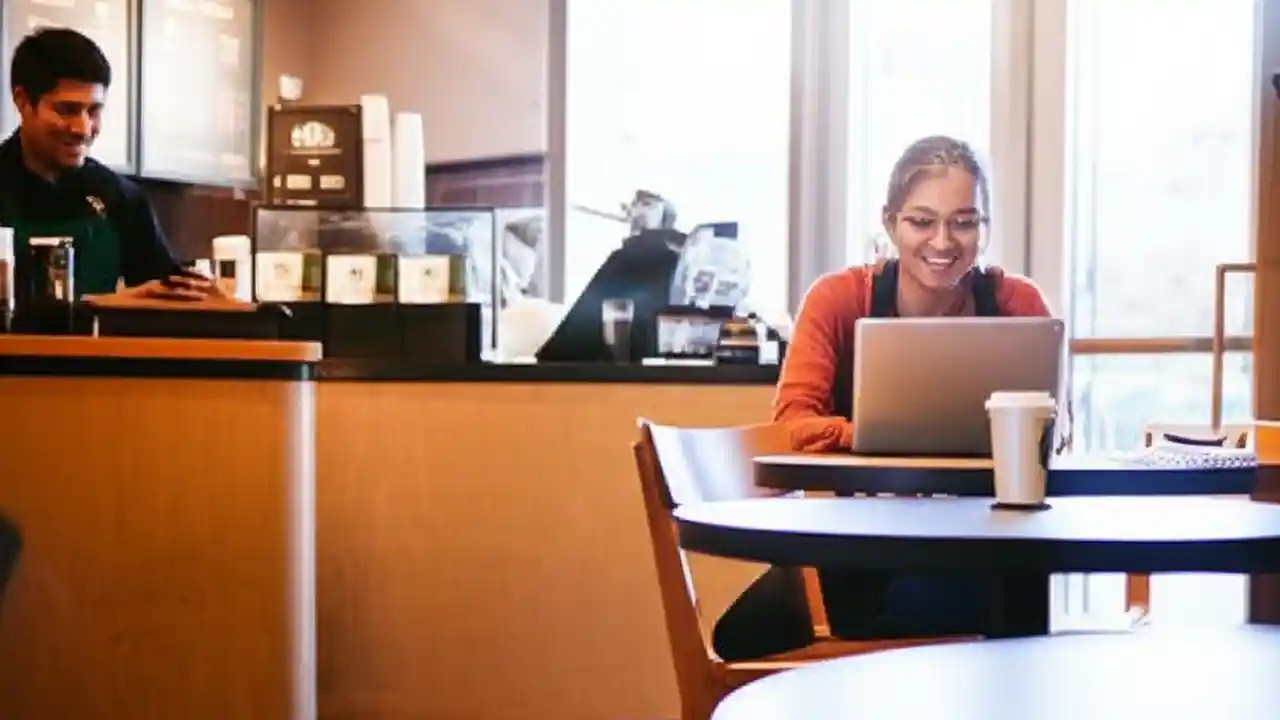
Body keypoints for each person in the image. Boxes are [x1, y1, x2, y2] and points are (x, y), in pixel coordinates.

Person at [713, 136, 1052, 660]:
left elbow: (1055, 431)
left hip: (982, 541)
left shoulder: (1017, 301)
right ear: (891, 223)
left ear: (984, 228)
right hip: (864, 545)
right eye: (922, 221)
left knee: (1014, 591)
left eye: (964, 221)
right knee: (1001, 608)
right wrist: (889, 440)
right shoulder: (839, 299)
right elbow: (793, 426)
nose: (943, 241)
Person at [0, 28, 219, 300]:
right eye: (66, 110)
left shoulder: (120, 198)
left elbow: (166, 300)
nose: (82, 128)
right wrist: (105, 305)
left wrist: (208, 299)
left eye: (94, 111)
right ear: (22, 101)